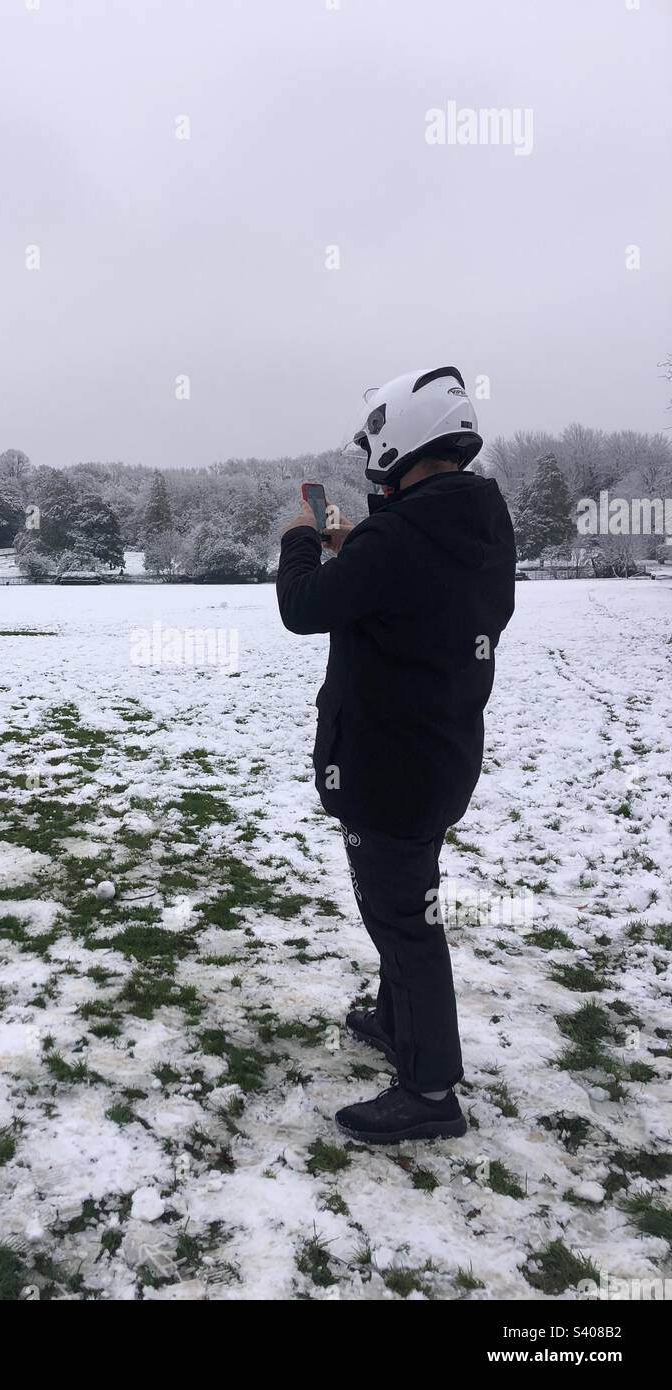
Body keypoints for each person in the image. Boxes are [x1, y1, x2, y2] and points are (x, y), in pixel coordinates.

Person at [276, 366, 516, 1143]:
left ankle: (429, 1090)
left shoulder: (397, 535)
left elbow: (302, 607)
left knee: (403, 923)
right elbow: (410, 582)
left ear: (395, 439)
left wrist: (300, 537)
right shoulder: (477, 518)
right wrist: (359, 545)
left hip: (385, 766)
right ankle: (394, 1020)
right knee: (404, 902)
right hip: (439, 753)